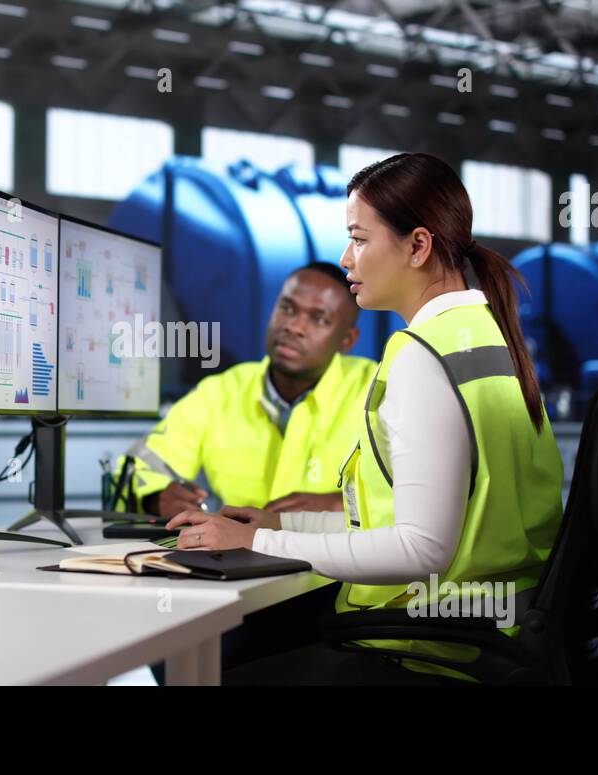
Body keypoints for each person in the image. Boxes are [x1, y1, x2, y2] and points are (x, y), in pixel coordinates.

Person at [167, 153, 565, 685]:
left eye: (359, 238)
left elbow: (421, 548)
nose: (345, 258)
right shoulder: (490, 335)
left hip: (429, 648)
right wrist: (282, 523)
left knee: (213, 670)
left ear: (418, 246)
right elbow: (445, 519)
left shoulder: (425, 356)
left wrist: (255, 542)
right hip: (501, 637)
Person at [121, 262, 376, 519]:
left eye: (319, 319)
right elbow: (140, 465)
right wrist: (155, 496)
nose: (294, 326)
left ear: (347, 340)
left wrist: (343, 505)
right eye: (287, 308)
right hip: (237, 553)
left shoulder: (377, 391)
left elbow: (412, 491)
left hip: (337, 557)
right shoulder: (221, 392)